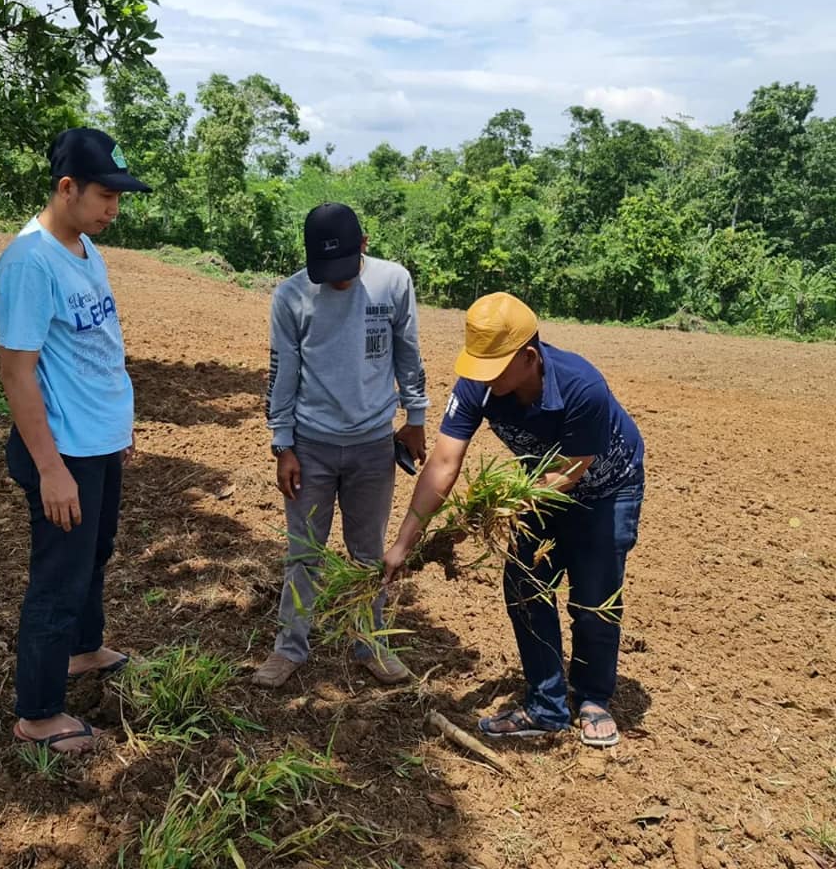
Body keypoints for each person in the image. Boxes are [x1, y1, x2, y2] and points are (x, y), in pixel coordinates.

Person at [383, 292, 644, 747]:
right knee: (525, 586)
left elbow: (573, 466)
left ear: (529, 357)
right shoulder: (477, 385)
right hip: (537, 489)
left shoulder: (582, 386)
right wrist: (405, 541)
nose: (485, 378)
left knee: (594, 595)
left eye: (495, 366)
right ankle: (546, 706)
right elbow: (443, 463)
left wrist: (503, 507)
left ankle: (593, 698)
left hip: (607, 490)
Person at [0, 127, 151, 754]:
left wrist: (118, 429)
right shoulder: (30, 262)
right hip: (63, 451)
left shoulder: (85, 247)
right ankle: (37, 714)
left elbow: (95, 347)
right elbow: (17, 371)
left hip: (97, 441)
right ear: (67, 187)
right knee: (58, 577)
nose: (115, 208)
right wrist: (51, 468)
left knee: (95, 553)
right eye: (106, 195)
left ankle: (84, 650)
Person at [252, 202, 430, 689]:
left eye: (347, 269)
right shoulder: (291, 296)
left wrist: (415, 418)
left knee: (367, 552)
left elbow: (408, 352)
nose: (339, 282)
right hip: (311, 447)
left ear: (365, 246)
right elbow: (281, 372)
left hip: (374, 445)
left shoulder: (393, 283)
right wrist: (282, 444)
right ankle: (289, 647)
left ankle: (370, 643)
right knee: (303, 552)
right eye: (327, 272)